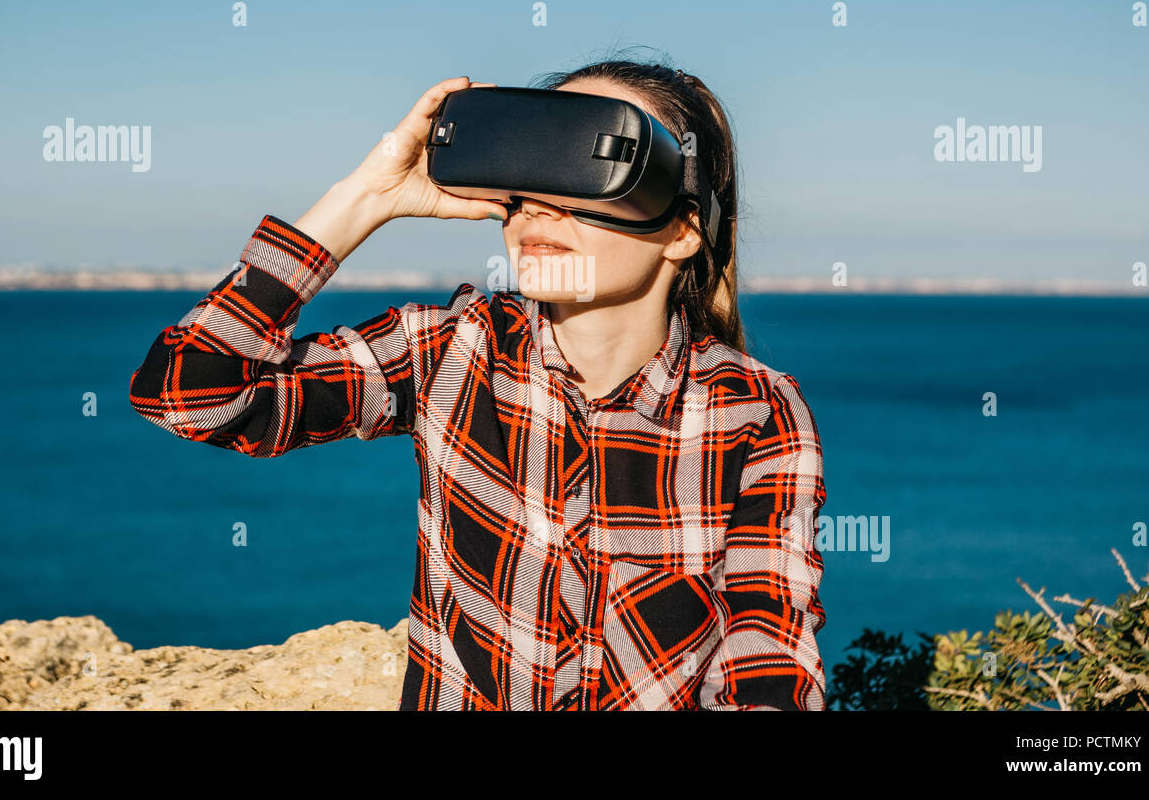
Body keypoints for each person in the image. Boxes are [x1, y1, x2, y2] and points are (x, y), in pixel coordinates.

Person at [128, 58, 827, 710]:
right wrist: (364, 199)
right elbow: (190, 395)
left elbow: (766, 659)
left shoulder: (755, 413)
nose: (539, 206)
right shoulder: (450, 351)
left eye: (585, 167)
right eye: (528, 172)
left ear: (680, 230)